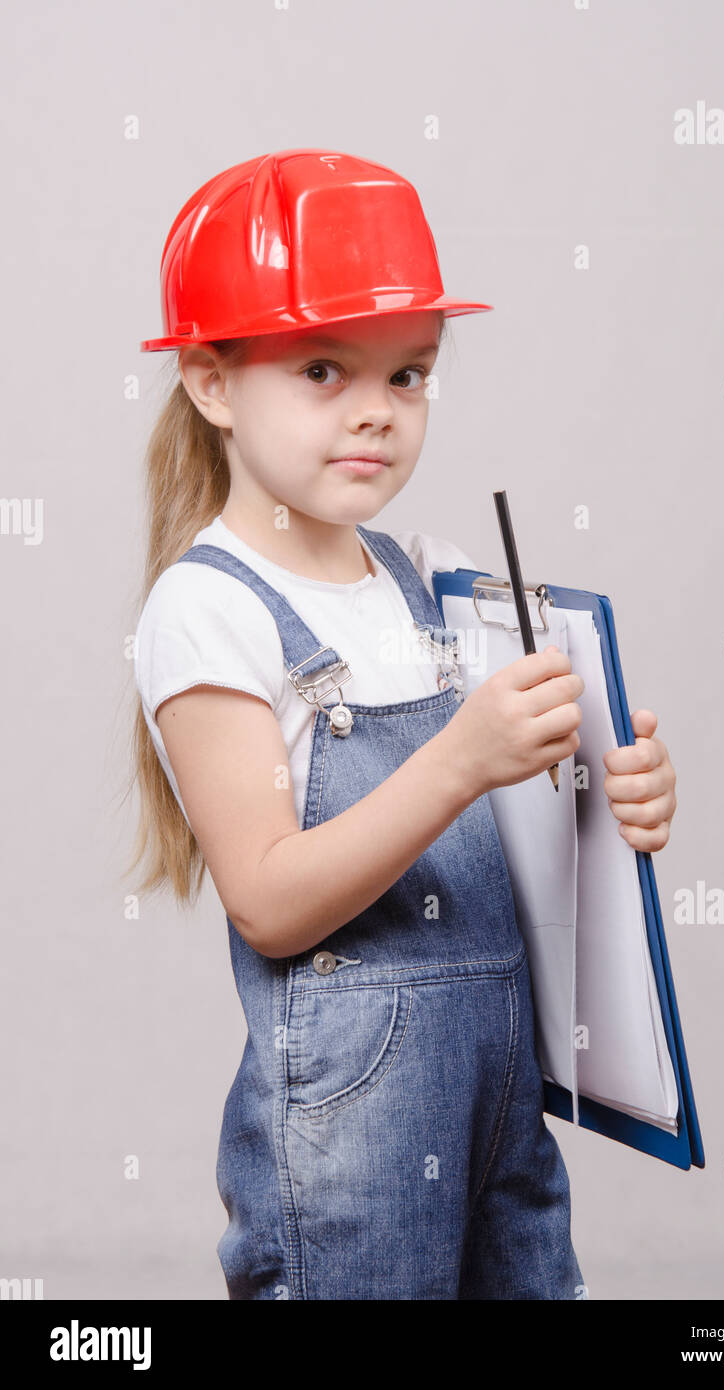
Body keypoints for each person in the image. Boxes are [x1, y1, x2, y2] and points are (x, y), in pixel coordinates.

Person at [128, 149, 677, 1300]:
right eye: (323, 369)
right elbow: (268, 901)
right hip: (352, 1139)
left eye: (409, 374)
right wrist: (459, 759)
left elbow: (528, 814)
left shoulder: (433, 578)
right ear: (211, 383)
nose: (376, 410)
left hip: (499, 1104)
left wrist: (611, 785)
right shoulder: (208, 610)